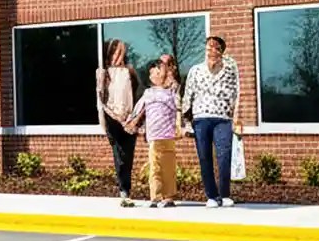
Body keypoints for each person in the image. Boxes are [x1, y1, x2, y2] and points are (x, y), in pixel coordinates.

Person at [181, 36, 241, 208]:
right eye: (208, 47)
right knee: (204, 157)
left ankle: (225, 193)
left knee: (224, 155)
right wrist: (186, 121)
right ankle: (212, 196)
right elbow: (188, 95)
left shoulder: (230, 69)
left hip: (223, 118)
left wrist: (237, 116)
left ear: (221, 51)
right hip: (200, 118)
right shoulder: (195, 70)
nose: (211, 51)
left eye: (215, 48)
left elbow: (237, 93)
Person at [124, 58, 180, 207]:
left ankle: (169, 197)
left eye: (163, 69)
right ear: (152, 76)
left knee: (169, 167)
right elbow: (138, 109)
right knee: (155, 166)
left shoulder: (172, 92)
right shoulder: (149, 93)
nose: (162, 72)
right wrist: (131, 121)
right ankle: (155, 196)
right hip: (154, 137)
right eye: (159, 69)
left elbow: (179, 108)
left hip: (168, 135)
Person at [96, 39, 138, 199]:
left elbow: (136, 95)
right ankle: (123, 189)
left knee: (128, 155)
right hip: (112, 118)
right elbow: (100, 100)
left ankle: (127, 188)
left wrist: (133, 118)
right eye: (115, 52)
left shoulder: (130, 72)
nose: (118, 55)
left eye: (121, 52)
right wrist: (106, 121)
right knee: (119, 154)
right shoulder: (103, 73)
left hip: (129, 119)